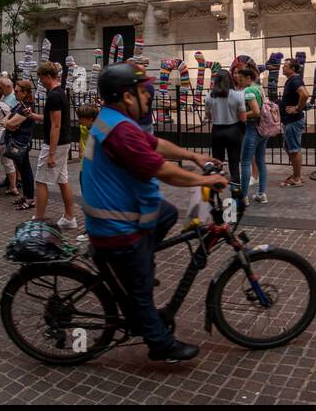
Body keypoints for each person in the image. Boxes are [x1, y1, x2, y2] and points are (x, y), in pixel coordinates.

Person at [81, 62, 227, 363]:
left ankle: (140, 268)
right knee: (141, 290)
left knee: (167, 212)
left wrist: (193, 155)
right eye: (142, 91)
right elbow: (164, 172)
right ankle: (161, 345)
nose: (148, 96)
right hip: (117, 229)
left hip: (119, 214)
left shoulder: (115, 120)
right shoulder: (121, 131)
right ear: (126, 96)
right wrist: (205, 180)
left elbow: (156, 144)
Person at [33, 62, 78, 229]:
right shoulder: (60, 93)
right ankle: (69, 217)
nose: (40, 82)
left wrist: (51, 153)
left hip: (55, 144)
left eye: (41, 78)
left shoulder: (53, 96)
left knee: (41, 180)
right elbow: (53, 121)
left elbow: (56, 125)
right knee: (62, 179)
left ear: (47, 76)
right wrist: (34, 116)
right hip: (63, 142)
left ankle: (38, 219)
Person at [203, 69, 246, 202]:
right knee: (234, 164)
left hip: (217, 131)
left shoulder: (209, 96)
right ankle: (236, 197)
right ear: (230, 80)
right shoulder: (237, 95)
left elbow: (207, 116)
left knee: (217, 163)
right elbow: (243, 118)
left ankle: (213, 195)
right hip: (233, 130)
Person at [1, 78, 38, 208]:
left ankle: (30, 198)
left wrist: (9, 124)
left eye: (17, 92)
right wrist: (8, 124)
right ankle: (26, 196)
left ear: (25, 93)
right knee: (21, 169)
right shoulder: (19, 105)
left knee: (26, 170)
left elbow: (10, 122)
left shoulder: (26, 107)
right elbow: (4, 120)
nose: (15, 94)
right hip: (15, 140)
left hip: (21, 142)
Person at [236, 65, 269, 205]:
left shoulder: (249, 90)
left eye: (241, 79)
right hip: (263, 130)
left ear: (249, 78)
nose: (239, 82)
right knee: (261, 161)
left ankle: (243, 197)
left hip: (252, 129)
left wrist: (241, 115)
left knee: (245, 162)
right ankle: (261, 194)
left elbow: (255, 111)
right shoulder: (259, 89)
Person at [278, 58, 308, 188]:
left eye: (285, 66)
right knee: (288, 146)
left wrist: (297, 108)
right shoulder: (292, 80)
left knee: (294, 149)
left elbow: (305, 94)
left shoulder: (295, 80)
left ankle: (296, 178)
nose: (282, 68)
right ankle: (297, 174)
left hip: (293, 121)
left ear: (293, 69)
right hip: (290, 121)